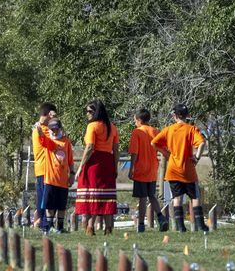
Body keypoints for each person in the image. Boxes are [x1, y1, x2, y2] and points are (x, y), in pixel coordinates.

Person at [152, 104, 209, 232]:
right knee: (195, 197)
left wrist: (166, 153)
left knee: (177, 198)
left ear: (174, 115)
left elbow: (153, 143)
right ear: (187, 115)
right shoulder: (191, 129)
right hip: (188, 169)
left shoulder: (168, 129)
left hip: (173, 169)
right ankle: (200, 225)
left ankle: (180, 227)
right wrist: (197, 157)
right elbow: (201, 143)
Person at [74, 100, 119, 235]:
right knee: (106, 195)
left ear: (95, 112)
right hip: (108, 162)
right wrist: (115, 167)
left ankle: (90, 226)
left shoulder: (92, 126)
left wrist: (81, 167)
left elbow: (89, 147)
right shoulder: (112, 127)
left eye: (89, 111)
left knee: (93, 194)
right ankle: (108, 228)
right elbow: (116, 149)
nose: (87, 114)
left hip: (94, 163)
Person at [128, 107, 167, 232]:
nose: (135, 122)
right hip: (152, 168)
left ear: (139, 120)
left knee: (143, 197)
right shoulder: (155, 131)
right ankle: (161, 218)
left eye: (135, 120)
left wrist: (131, 168)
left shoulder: (137, 132)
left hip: (141, 168)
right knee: (152, 195)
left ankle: (140, 225)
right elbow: (162, 147)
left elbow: (134, 152)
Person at [34, 117, 75, 233]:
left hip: (63, 181)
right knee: (50, 206)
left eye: (56, 129)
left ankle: (60, 227)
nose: (54, 131)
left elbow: (70, 160)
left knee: (61, 206)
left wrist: (72, 173)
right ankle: (49, 226)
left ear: (60, 129)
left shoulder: (66, 142)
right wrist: (40, 129)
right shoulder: (49, 142)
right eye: (52, 129)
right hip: (50, 180)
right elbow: (42, 138)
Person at [31, 102, 57, 227]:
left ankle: (42, 222)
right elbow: (55, 141)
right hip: (45, 168)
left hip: (44, 169)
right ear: (48, 115)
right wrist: (56, 119)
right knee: (45, 199)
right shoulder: (43, 130)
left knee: (43, 198)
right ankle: (44, 223)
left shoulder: (41, 128)